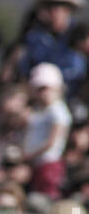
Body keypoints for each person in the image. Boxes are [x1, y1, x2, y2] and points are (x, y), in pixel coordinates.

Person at [1, 0, 87, 92]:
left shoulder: (81, 34)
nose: (53, 12)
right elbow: (24, 70)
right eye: (49, 6)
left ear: (68, 9)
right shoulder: (33, 37)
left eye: (58, 6)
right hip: (39, 95)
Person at [23, 62, 71, 199]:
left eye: (46, 88)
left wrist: (30, 155)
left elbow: (52, 141)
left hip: (49, 164)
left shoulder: (58, 110)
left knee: (47, 197)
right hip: (38, 164)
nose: (43, 93)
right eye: (39, 89)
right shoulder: (39, 110)